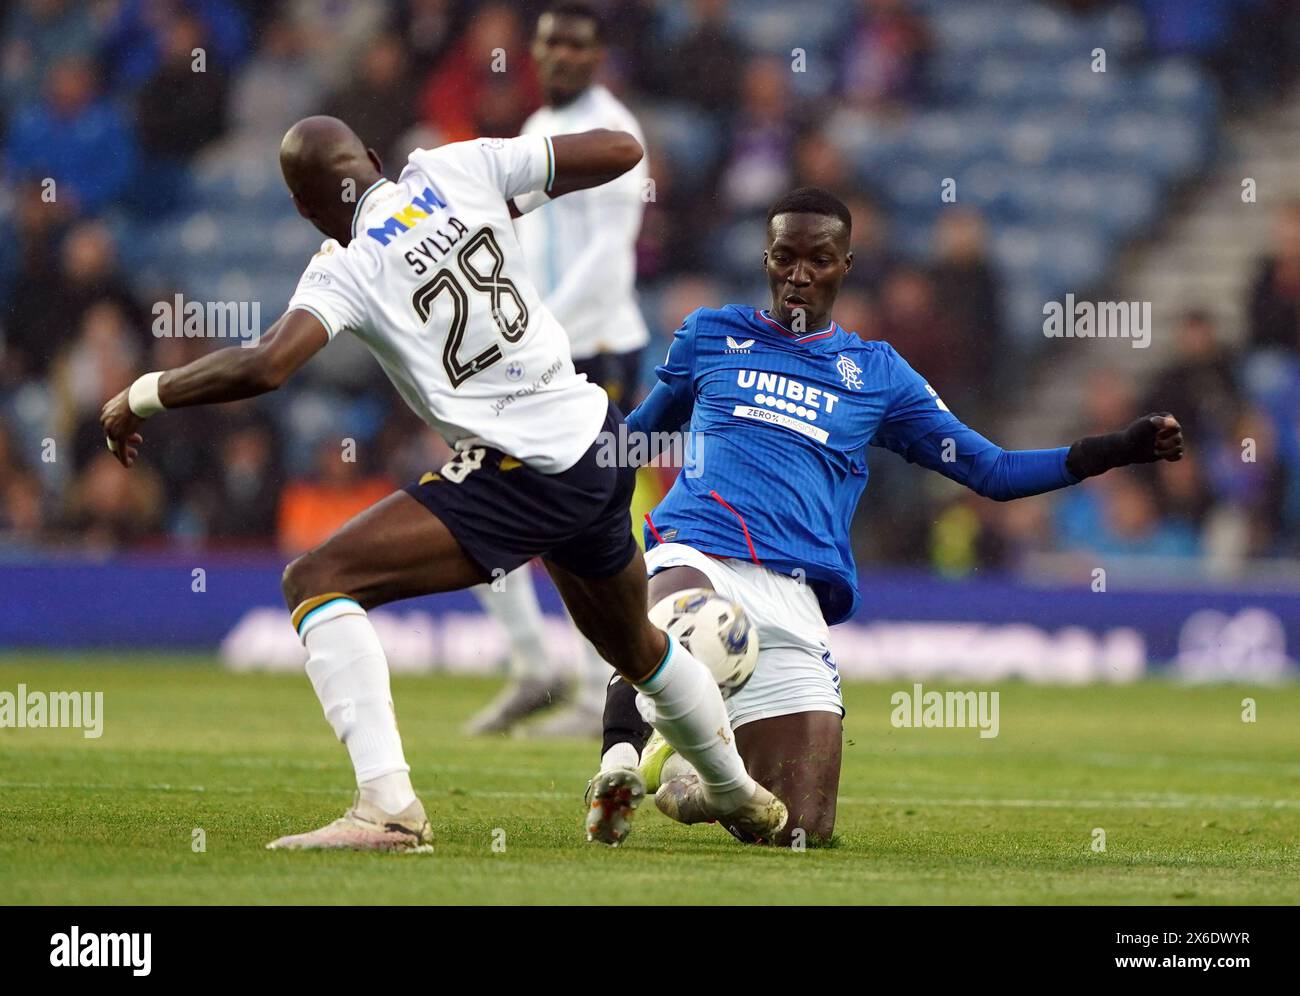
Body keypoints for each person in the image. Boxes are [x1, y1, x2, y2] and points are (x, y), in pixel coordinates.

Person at [100, 116, 788, 851]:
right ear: (372, 158)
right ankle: (738, 792)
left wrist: (143, 392)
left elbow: (268, 364)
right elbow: (622, 150)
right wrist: (507, 206)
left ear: (305, 210)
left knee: (316, 578)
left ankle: (388, 809)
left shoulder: (346, 264)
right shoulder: (457, 170)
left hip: (524, 472)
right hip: (598, 440)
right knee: (638, 649)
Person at [588, 187, 1185, 846]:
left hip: (793, 591)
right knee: (675, 617)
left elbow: (991, 472)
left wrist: (1115, 449)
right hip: (697, 547)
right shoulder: (711, 334)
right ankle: (618, 765)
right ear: (765, 260)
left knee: (800, 832)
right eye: (785, 257)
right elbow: (633, 438)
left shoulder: (877, 376)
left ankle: (697, 789)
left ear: (846, 264)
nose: (800, 274)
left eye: (819, 259)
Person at [464, 2, 653, 738]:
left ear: (599, 55)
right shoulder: (539, 132)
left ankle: (592, 689)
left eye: (577, 44)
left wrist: (535, 327)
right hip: (543, 343)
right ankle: (537, 664)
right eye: (550, 43)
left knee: (586, 517)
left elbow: (612, 255)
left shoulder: (616, 132)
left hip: (599, 345)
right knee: (479, 481)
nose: (561, 56)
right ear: (534, 51)